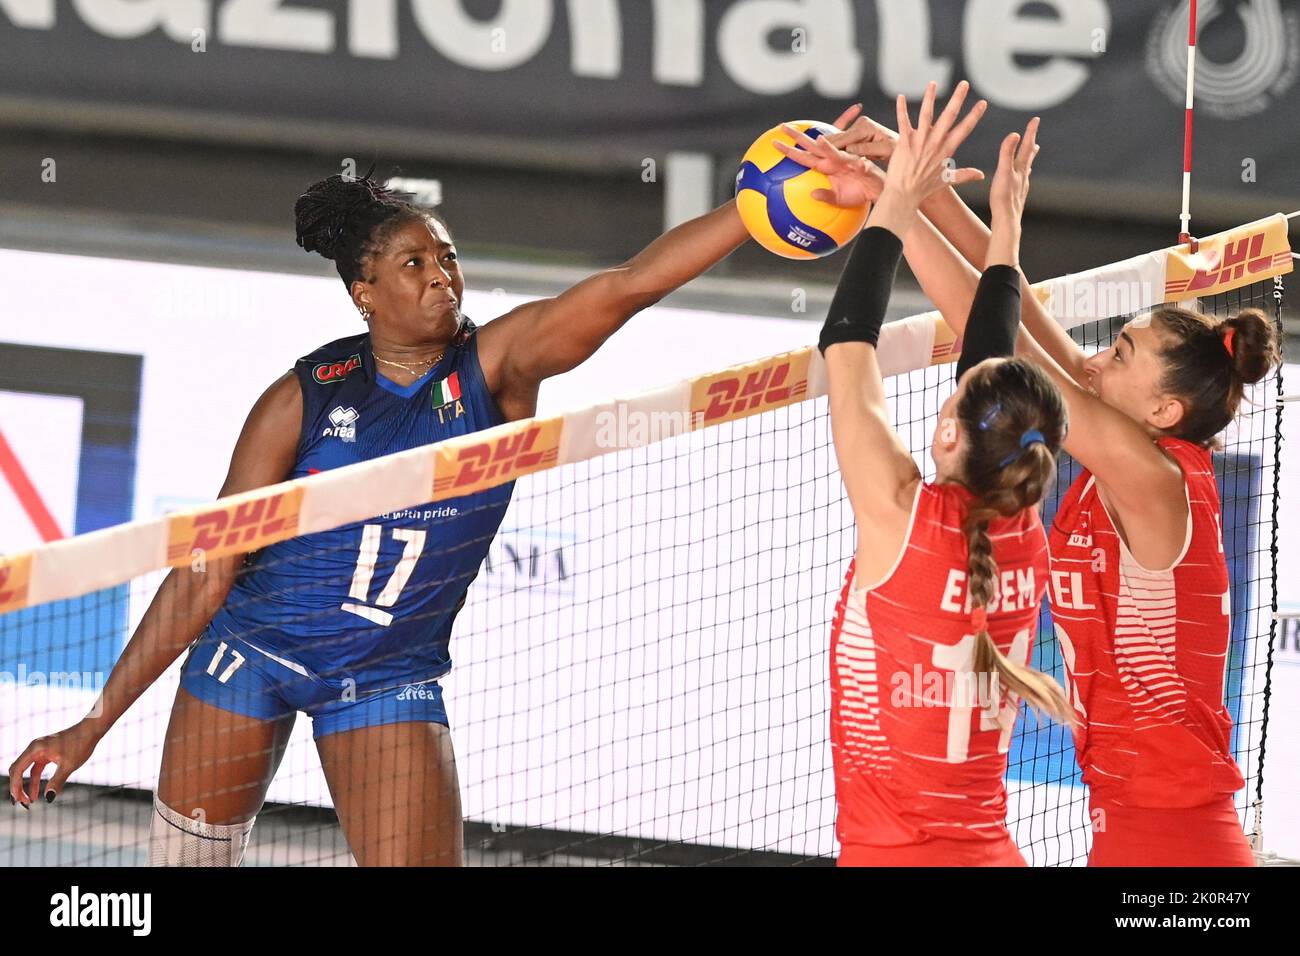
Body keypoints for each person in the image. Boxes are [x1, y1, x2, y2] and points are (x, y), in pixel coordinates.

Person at [5, 124, 857, 866]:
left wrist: (754, 209)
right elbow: (203, 572)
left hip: (386, 679)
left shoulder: (498, 368)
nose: (442, 275)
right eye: (415, 262)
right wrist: (92, 726)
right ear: (363, 292)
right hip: (248, 656)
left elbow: (630, 284)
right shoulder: (303, 397)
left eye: (447, 256)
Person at [824, 103, 1279, 866]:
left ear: (1165, 410)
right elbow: (1017, 313)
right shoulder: (1122, 454)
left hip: (1173, 847)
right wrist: (918, 184)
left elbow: (1000, 337)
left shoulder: (1157, 479)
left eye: (1122, 353)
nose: (1095, 359)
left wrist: (893, 197)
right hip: (1131, 831)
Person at [786, 81, 1071, 866]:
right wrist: (990, 235)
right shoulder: (1021, 526)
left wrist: (901, 202)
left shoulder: (906, 513)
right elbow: (974, 367)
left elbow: (848, 343)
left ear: (950, 429)